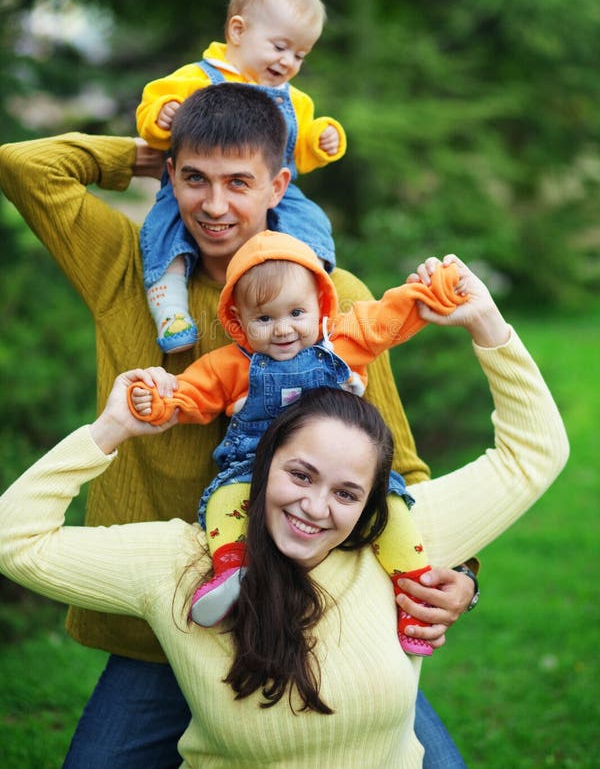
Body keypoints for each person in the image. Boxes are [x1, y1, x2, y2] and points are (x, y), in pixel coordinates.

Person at [0, 84, 476, 768]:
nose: (214, 205)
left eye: (238, 180)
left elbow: (395, 460)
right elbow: (24, 165)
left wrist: (457, 572)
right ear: (172, 175)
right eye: (194, 178)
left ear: (280, 181)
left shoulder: (331, 301)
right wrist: (151, 151)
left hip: (323, 604)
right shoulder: (127, 266)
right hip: (174, 607)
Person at [0, 256, 569, 768]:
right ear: (263, 460)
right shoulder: (175, 567)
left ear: (373, 496)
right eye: (300, 474)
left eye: (348, 492)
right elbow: (14, 541)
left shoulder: (392, 527)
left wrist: (487, 323)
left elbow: (536, 452)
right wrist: (110, 430)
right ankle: (236, 568)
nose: (315, 508)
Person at [129, 230, 468, 656]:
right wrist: (159, 400)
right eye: (265, 319)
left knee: (390, 507)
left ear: (321, 308)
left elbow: (388, 318)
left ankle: (415, 591)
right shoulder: (234, 365)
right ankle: (232, 572)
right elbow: (192, 393)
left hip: (338, 468)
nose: (283, 330)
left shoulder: (338, 344)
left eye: (295, 313)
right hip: (254, 465)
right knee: (225, 500)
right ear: (239, 323)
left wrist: (430, 291)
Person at [136, 0, 347, 353]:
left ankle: (306, 288)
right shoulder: (195, 78)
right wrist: (162, 114)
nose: (288, 62)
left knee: (311, 221)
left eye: (300, 55)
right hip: (183, 190)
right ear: (237, 31)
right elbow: (153, 109)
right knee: (162, 228)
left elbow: (299, 151)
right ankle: (170, 304)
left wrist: (321, 140)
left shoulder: (294, 100)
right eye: (280, 47)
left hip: (278, 191)